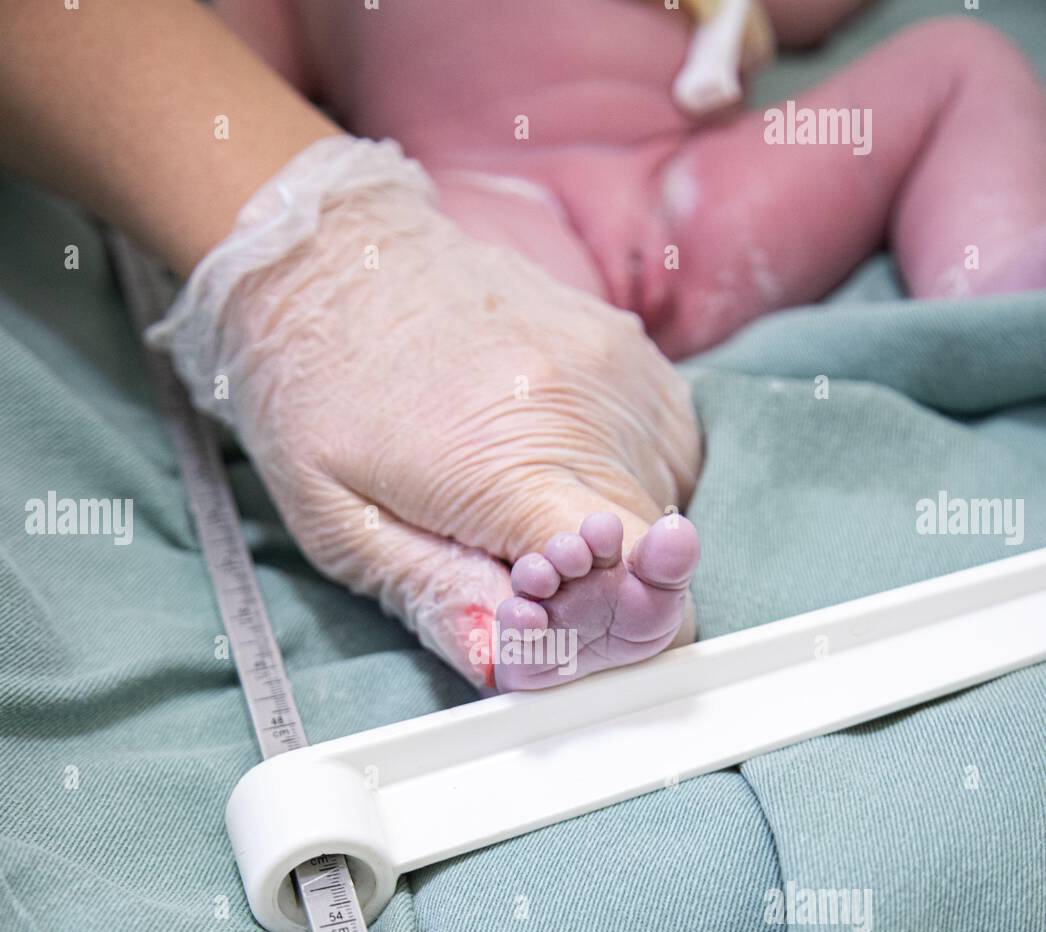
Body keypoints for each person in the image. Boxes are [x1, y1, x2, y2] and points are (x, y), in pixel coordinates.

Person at [3, 0, 1045, 689]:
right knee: (442, 387)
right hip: (488, 228)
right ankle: (571, 581)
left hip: (696, 183)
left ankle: (998, 290)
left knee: (953, 59)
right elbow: (213, 73)